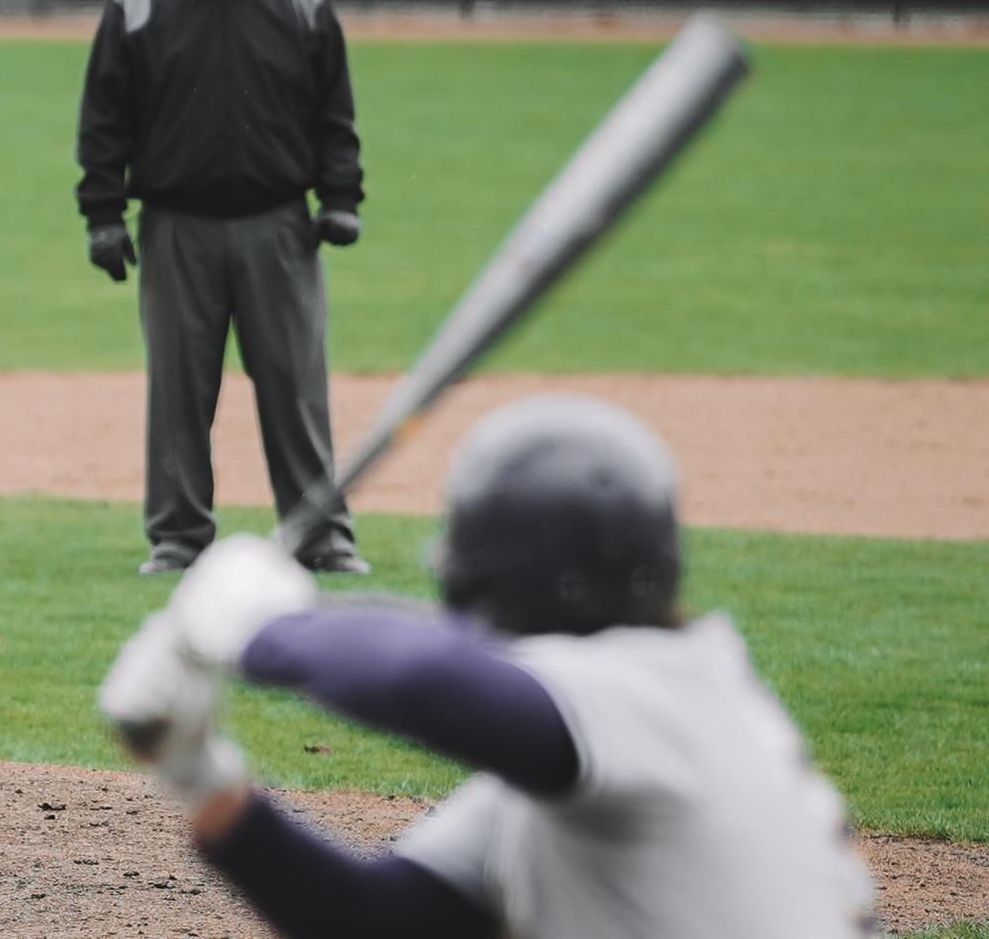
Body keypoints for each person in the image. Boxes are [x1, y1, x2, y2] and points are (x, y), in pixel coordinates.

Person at [99, 394, 876, 937]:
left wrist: (262, 629)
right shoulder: (577, 765)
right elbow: (381, 922)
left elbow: (425, 676)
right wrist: (200, 777)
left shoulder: (658, 694)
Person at [74, 0, 367, 577]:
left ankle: (320, 534)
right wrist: (103, 214)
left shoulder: (297, 4)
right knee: (178, 391)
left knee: (295, 387)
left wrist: (340, 199)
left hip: (279, 226)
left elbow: (334, 115)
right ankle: (177, 537)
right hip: (176, 228)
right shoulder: (137, 8)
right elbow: (104, 123)